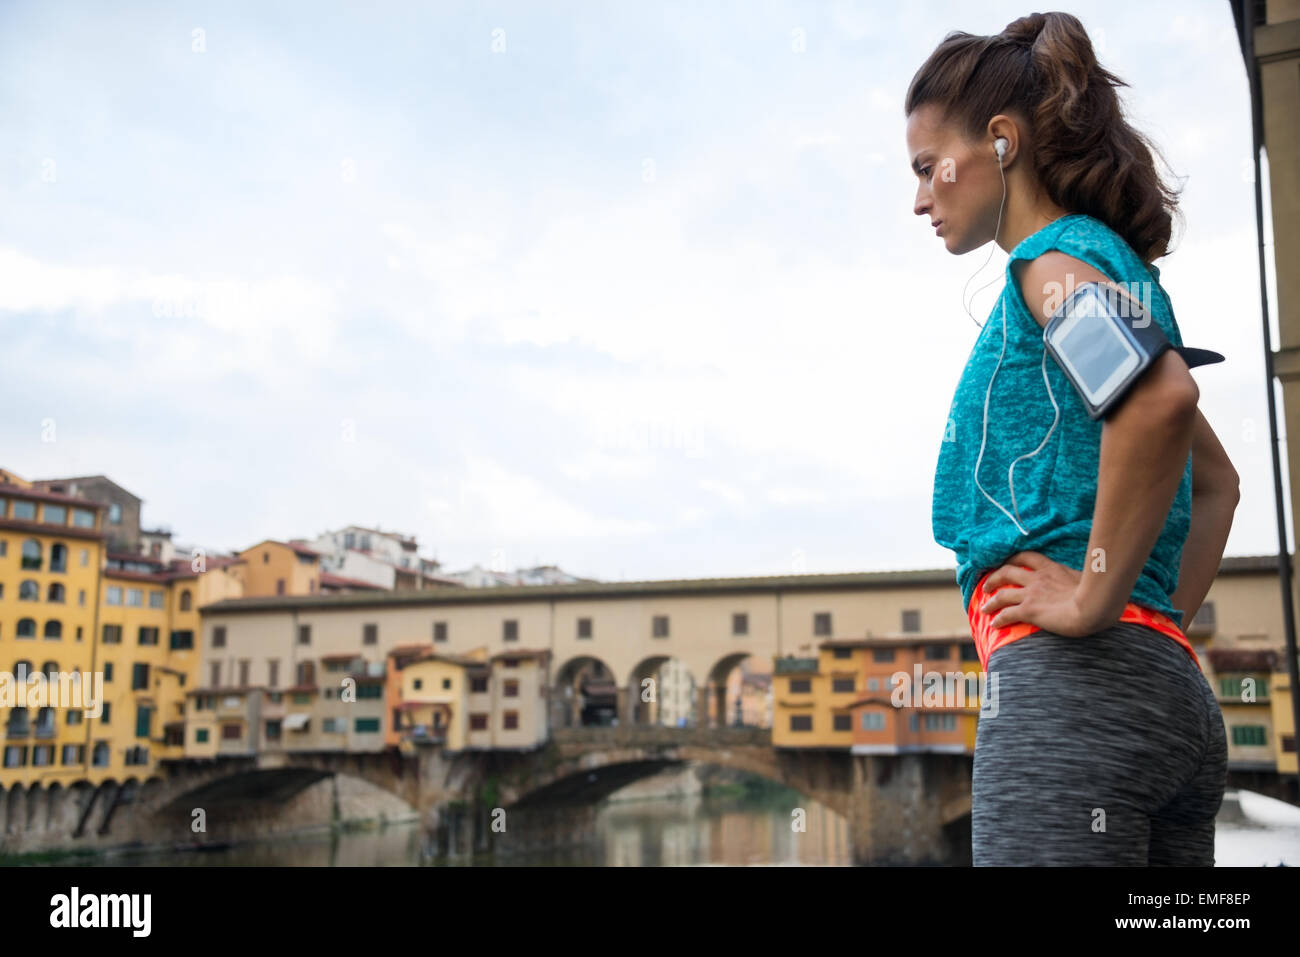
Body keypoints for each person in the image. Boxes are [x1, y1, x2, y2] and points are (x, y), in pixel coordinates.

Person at [906, 11, 1239, 865]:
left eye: (927, 166)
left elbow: (1160, 398)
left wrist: (1093, 600)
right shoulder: (1120, 275)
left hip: (1070, 693)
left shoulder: (1049, 270)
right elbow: (1217, 483)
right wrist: (1149, 619)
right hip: (1170, 698)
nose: (919, 198)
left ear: (1003, 141)